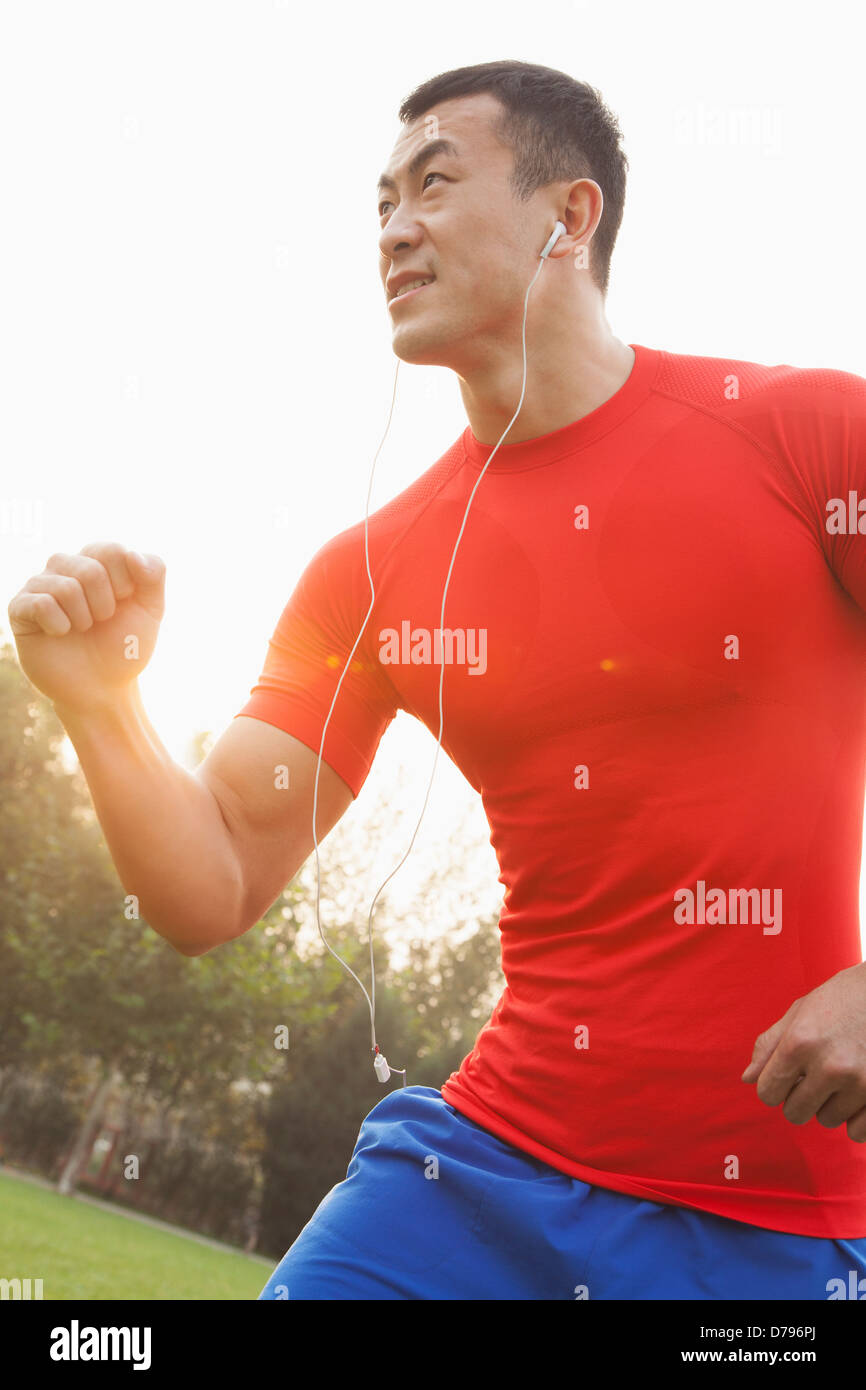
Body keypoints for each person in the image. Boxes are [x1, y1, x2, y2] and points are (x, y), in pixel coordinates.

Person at [9, 59, 866, 1301]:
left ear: (568, 215)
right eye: (379, 204)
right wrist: (102, 706)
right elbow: (215, 877)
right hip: (468, 1178)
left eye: (432, 184)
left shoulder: (809, 438)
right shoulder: (364, 571)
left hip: (774, 1226)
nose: (392, 230)